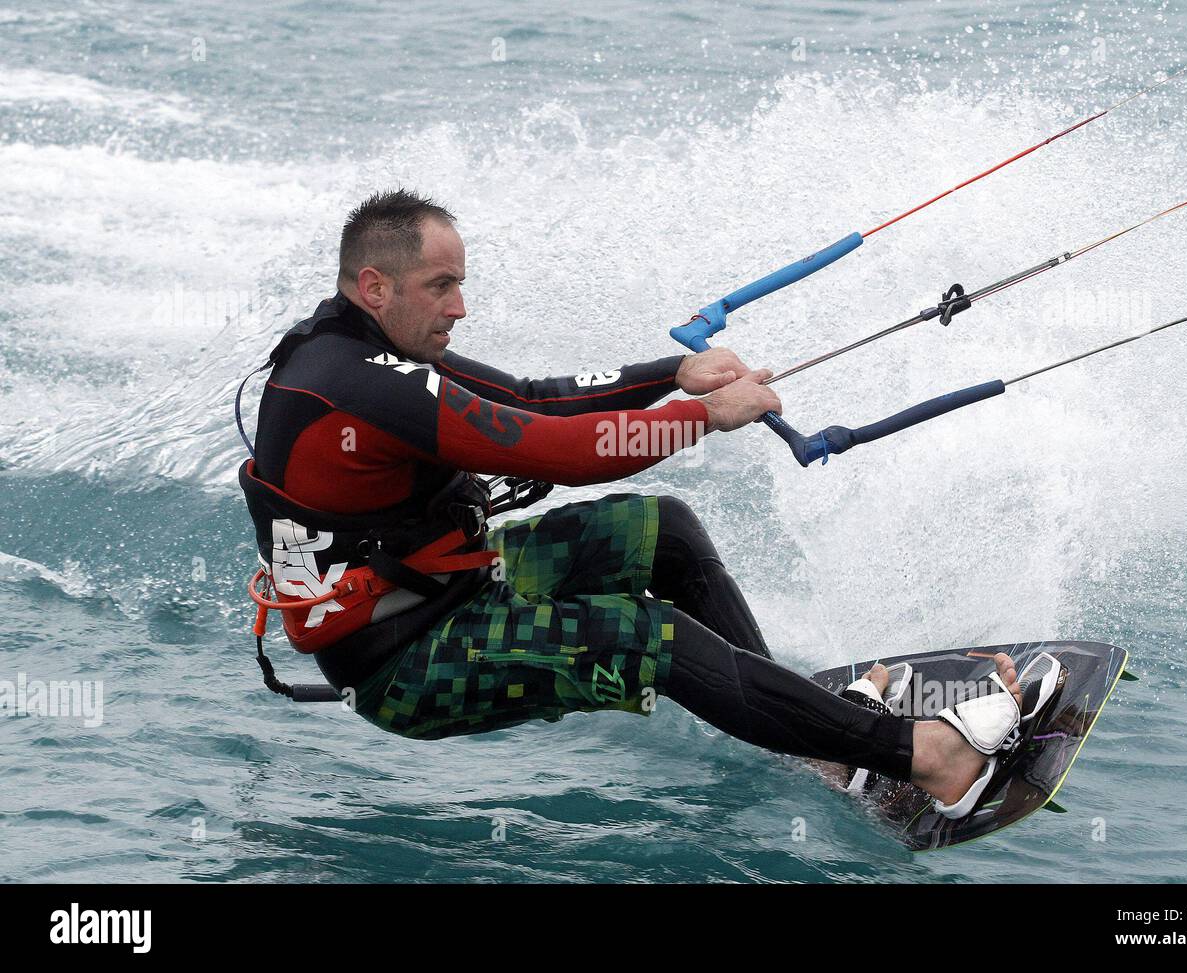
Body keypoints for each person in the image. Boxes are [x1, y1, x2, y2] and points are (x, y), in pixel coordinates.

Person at [238, 188, 1060, 818]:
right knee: (643, 636)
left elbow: (535, 398)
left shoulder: (378, 347)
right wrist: (701, 417)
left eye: (462, 283)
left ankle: (820, 750)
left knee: (663, 531)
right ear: (375, 285)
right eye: (442, 286)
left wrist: (671, 375)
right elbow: (552, 449)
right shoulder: (350, 383)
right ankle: (926, 757)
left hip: (452, 586)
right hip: (408, 661)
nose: (461, 306)